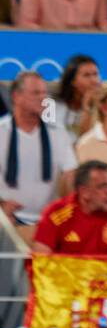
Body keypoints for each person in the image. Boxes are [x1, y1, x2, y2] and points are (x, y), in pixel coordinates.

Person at [0, 71, 78, 231]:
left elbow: (70, 175)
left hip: (48, 221)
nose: (43, 98)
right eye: (36, 93)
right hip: (5, 220)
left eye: (44, 93)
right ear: (16, 96)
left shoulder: (58, 133)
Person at [29, 159, 107, 256]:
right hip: (67, 280)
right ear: (84, 192)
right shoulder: (56, 213)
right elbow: (41, 260)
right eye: (103, 187)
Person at [52, 54, 100, 136]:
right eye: (86, 75)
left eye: (95, 74)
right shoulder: (53, 105)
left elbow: (88, 142)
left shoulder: (104, 109)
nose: (94, 81)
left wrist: (86, 106)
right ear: (72, 81)